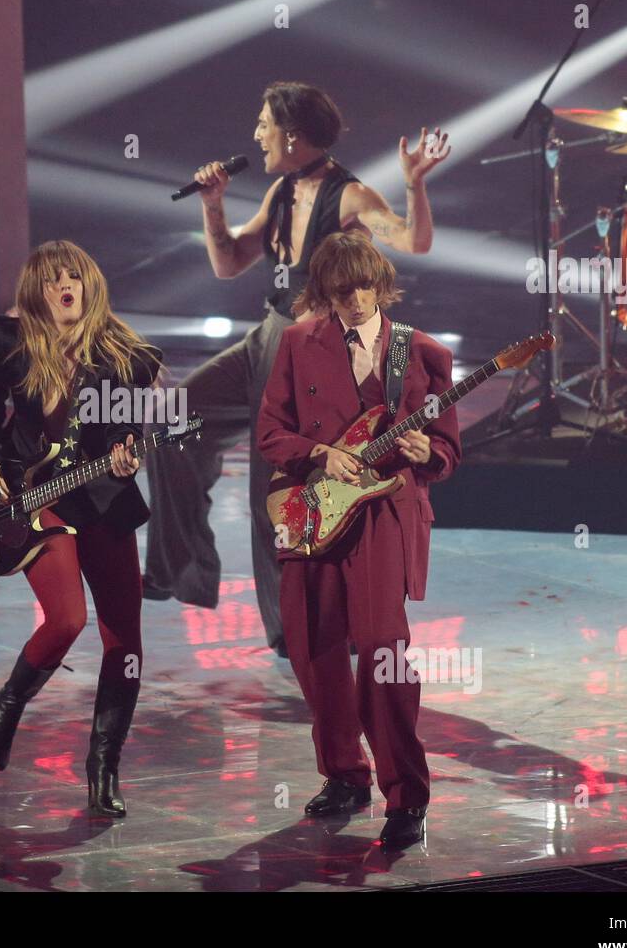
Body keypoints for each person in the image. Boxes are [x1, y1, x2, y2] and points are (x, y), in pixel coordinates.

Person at [142, 81, 450, 655]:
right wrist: (213, 206)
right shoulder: (281, 192)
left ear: (291, 133)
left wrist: (413, 184)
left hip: (315, 348)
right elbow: (229, 263)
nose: (256, 136)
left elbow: (416, 241)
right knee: (170, 424)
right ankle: (177, 568)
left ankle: (295, 628)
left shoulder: (349, 195)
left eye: (263, 125)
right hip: (270, 332)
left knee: (274, 483)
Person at [256, 232, 461, 851]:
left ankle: (407, 795)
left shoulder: (420, 352)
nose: (354, 300)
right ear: (325, 292)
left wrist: (431, 452)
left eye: (363, 287)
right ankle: (345, 776)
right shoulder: (298, 343)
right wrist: (320, 453)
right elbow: (271, 431)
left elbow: (449, 449)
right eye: (341, 291)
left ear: (380, 282)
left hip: (382, 516)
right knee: (314, 650)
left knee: (381, 647)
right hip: (317, 506)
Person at [0, 240, 163, 817]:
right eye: (51, 281)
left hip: (101, 498)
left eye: (73, 276)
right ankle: (10, 702)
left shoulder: (124, 357)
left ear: (90, 284)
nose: (64, 288)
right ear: (36, 293)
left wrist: (130, 458)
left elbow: (129, 438)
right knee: (69, 618)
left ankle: (103, 767)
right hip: (36, 497)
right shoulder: (13, 347)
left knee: (125, 640)